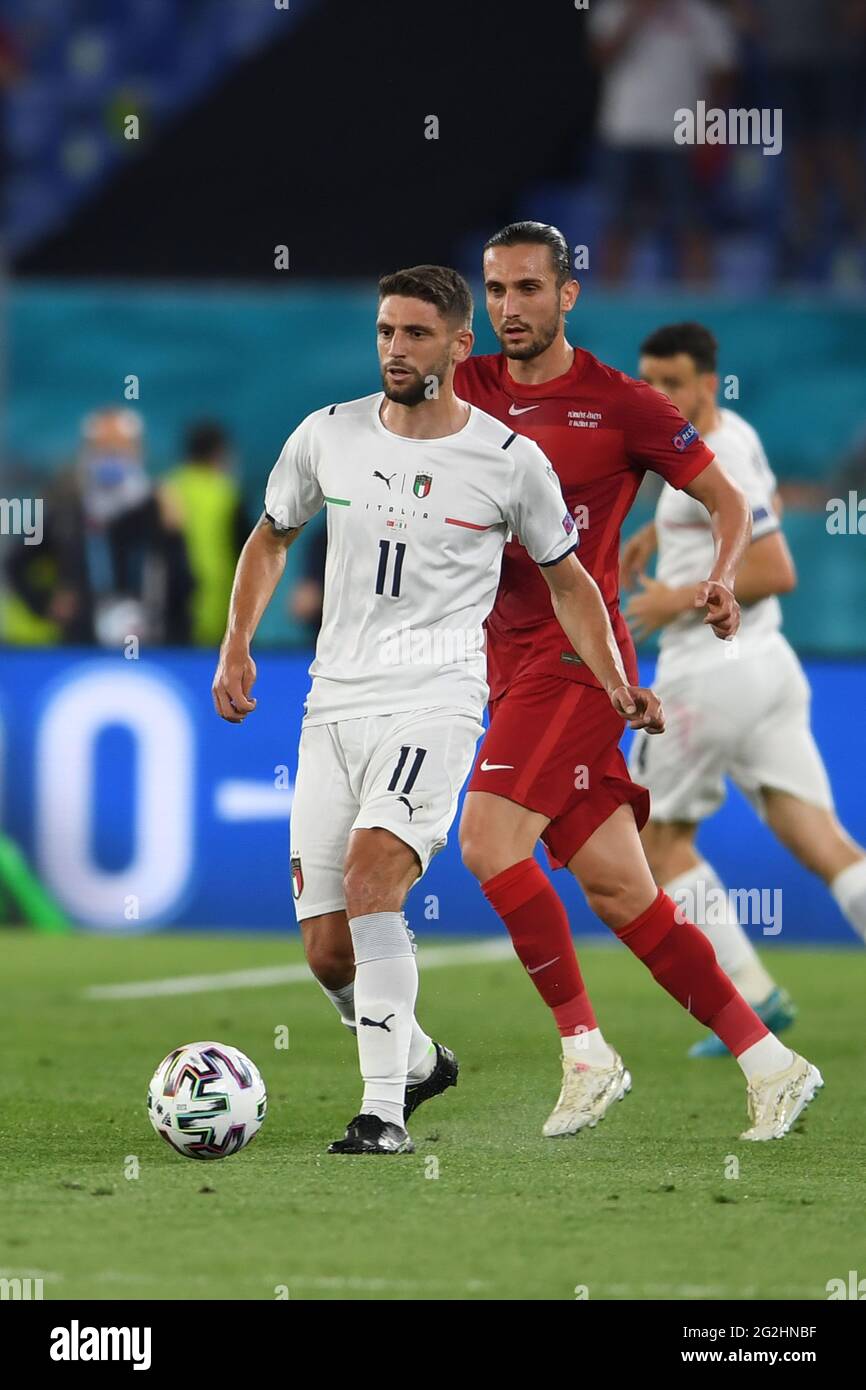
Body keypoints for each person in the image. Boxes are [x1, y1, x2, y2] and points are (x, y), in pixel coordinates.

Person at [212, 264, 664, 1155]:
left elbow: (569, 580)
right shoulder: (327, 435)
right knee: (327, 953)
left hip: (438, 698)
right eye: (384, 332)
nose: (394, 350)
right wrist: (237, 640)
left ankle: (383, 1114)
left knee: (379, 877)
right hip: (333, 702)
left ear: (461, 346)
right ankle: (415, 1059)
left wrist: (611, 675)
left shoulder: (506, 460)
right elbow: (271, 534)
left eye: (415, 335)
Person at [452, 220, 821, 1142]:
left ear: (567, 294)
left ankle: (587, 1053)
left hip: (580, 664)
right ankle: (773, 1064)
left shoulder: (622, 405)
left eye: (528, 289)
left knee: (490, 842)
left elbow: (727, 501)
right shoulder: (463, 389)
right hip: (503, 663)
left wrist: (722, 577)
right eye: (495, 290)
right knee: (625, 893)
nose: (509, 308)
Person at [622, 320, 866, 1055]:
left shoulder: (719, 449)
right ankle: (755, 997)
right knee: (827, 847)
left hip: (711, 677)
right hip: (768, 672)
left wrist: (673, 600)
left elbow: (775, 570)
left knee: (655, 841)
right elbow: (722, 515)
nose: (657, 394)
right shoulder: (730, 437)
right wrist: (655, 537)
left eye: (673, 383)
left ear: (706, 384)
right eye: (648, 381)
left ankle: (750, 1000)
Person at [6, 407, 192, 646]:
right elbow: (15, 563)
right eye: (102, 447)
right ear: (87, 451)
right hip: (82, 645)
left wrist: (173, 534)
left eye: (120, 446)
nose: (111, 454)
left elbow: (184, 582)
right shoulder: (67, 507)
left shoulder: (159, 506)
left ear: (138, 450)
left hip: (154, 645)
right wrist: (45, 602)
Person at [589, 0, 737, 282]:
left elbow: (723, 69)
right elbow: (601, 56)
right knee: (617, 224)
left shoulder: (699, 13)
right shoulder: (614, 8)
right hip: (624, 132)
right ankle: (609, 310)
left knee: (691, 224)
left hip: (680, 135)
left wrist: (708, 123)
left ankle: (703, 311)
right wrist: (635, 15)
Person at [164, 421, 249, 646]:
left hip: (173, 598)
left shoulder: (169, 488)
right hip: (220, 595)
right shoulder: (227, 492)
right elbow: (246, 548)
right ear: (219, 453)